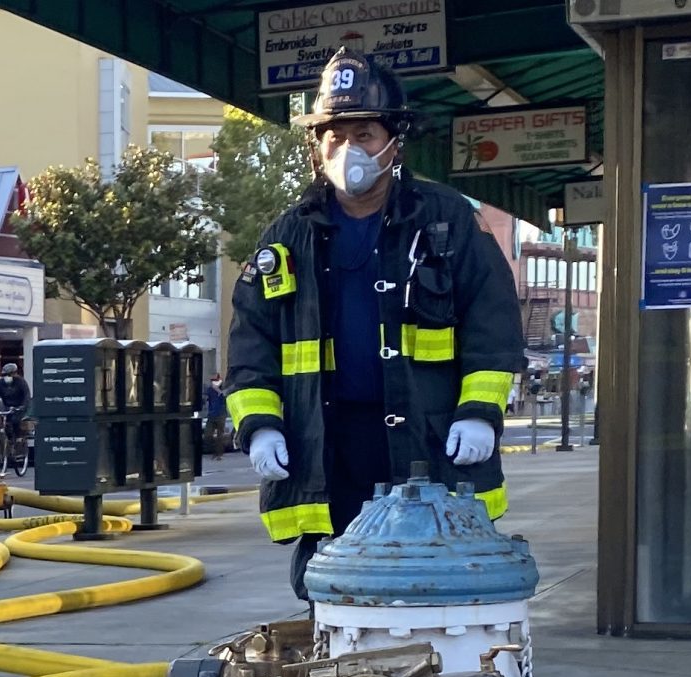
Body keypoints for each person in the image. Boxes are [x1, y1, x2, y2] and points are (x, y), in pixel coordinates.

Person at [224, 47, 525, 599]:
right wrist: (259, 426)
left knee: (434, 581)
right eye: (334, 136)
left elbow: (494, 321)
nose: (347, 149)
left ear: (394, 141)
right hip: (327, 444)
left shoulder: (447, 220)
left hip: (428, 436)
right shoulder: (287, 235)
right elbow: (251, 342)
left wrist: (480, 413)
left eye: (363, 134)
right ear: (318, 145)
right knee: (333, 586)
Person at [0, 361, 32, 455]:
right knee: (5, 421)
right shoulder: (1, 384)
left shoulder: (21, 382)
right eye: (4, 375)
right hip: (7, 405)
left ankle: (18, 439)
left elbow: (27, 395)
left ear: (15, 373)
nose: (6, 377)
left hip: (19, 406)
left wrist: (23, 406)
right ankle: (8, 441)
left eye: (9, 374)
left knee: (15, 420)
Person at [204, 373, 229, 458]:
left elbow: (225, 397)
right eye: (212, 381)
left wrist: (218, 390)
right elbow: (206, 398)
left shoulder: (224, 388)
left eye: (215, 380)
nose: (213, 382)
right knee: (208, 434)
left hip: (221, 414)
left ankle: (218, 454)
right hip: (211, 414)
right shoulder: (210, 389)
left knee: (220, 435)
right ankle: (213, 450)